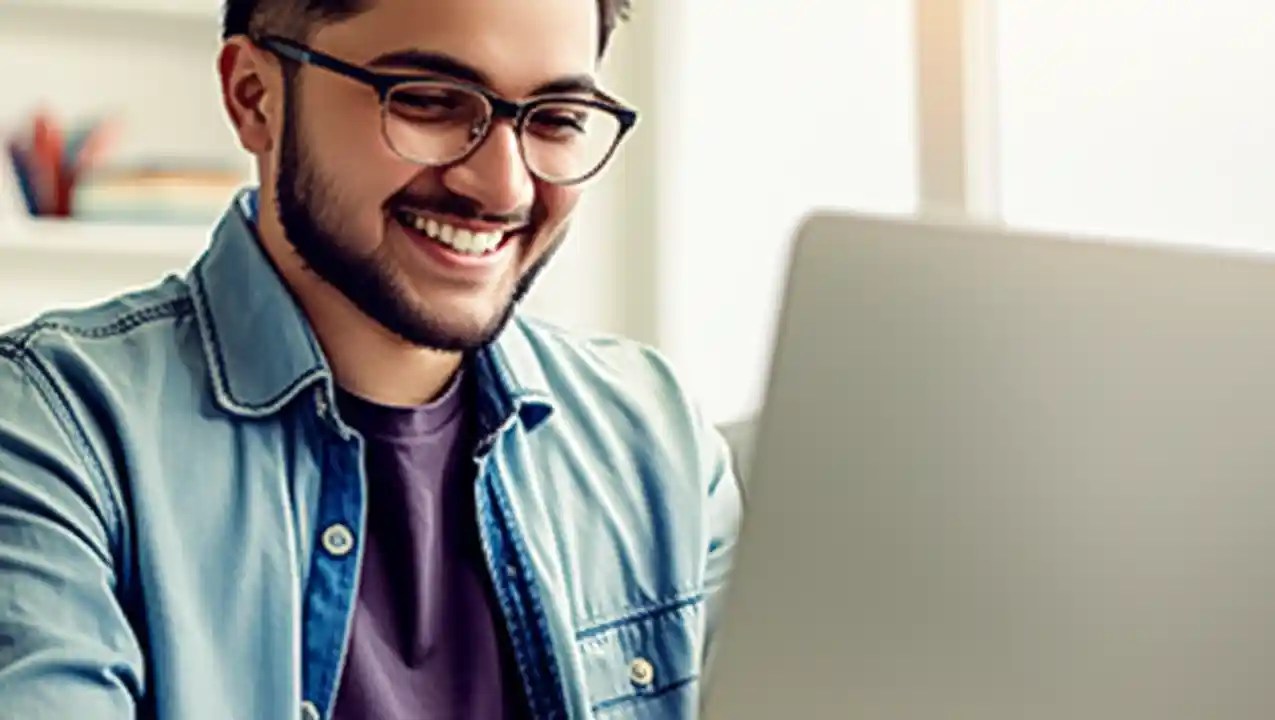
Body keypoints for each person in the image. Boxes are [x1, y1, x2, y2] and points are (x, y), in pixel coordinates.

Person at [0, 0, 743, 717]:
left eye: (555, 120)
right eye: (429, 101)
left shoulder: (661, 444)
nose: (503, 185)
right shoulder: (51, 433)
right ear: (255, 98)